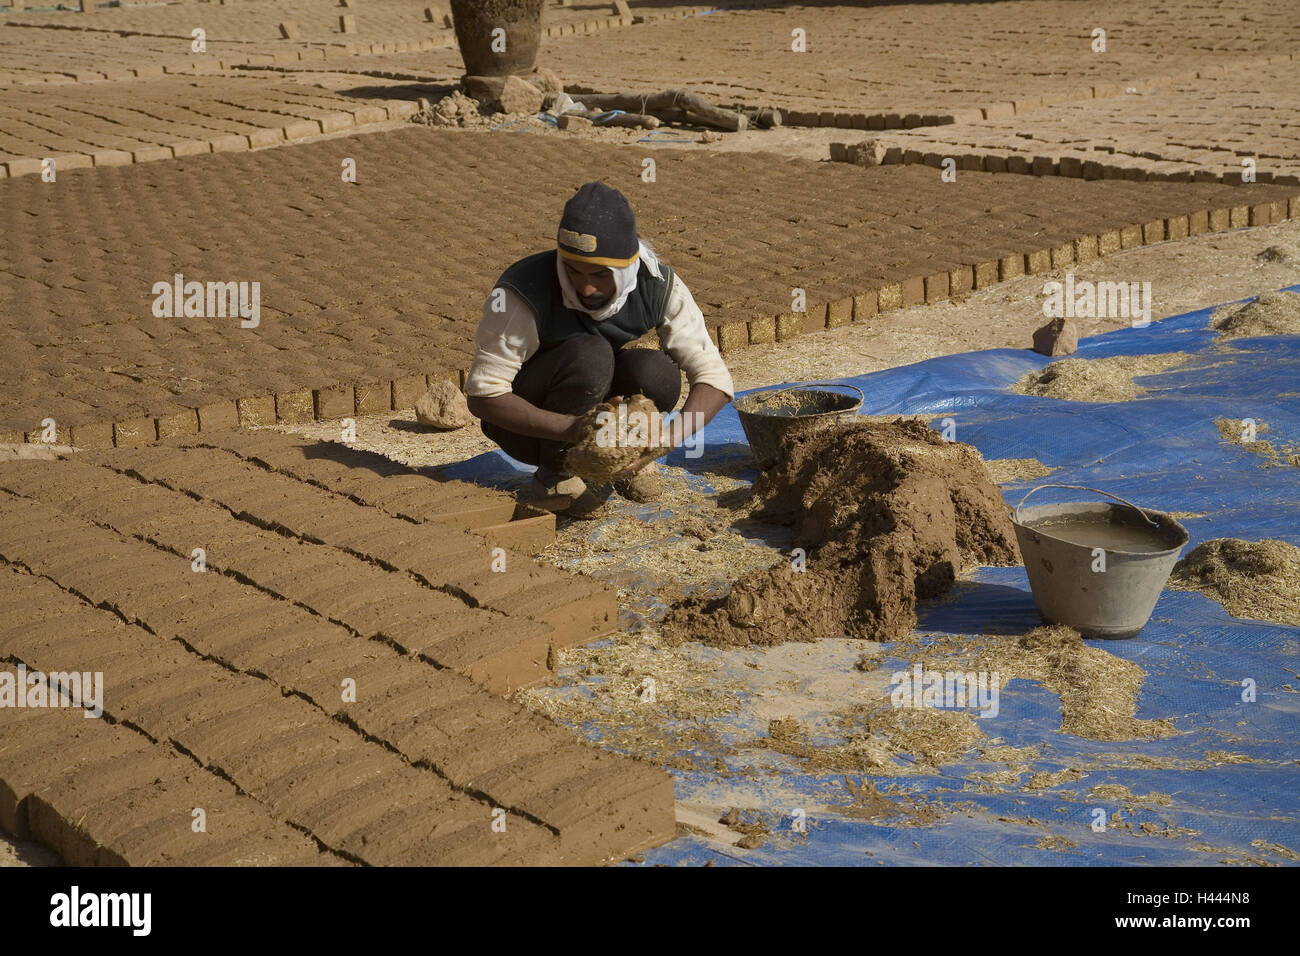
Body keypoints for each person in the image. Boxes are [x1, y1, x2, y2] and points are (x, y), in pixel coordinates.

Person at [465, 181, 734, 512]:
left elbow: (715, 379)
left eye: (600, 275)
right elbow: (483, 397)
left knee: (656, 372)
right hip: (529, 425)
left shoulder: (657, 284)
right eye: (573, 270)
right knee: (591, 354)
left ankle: (618, 459)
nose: (586, 287)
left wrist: (666, 440)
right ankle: (555, 476)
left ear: (626, 267)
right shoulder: (521, 291)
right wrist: (574, 429)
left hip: (593, 401)